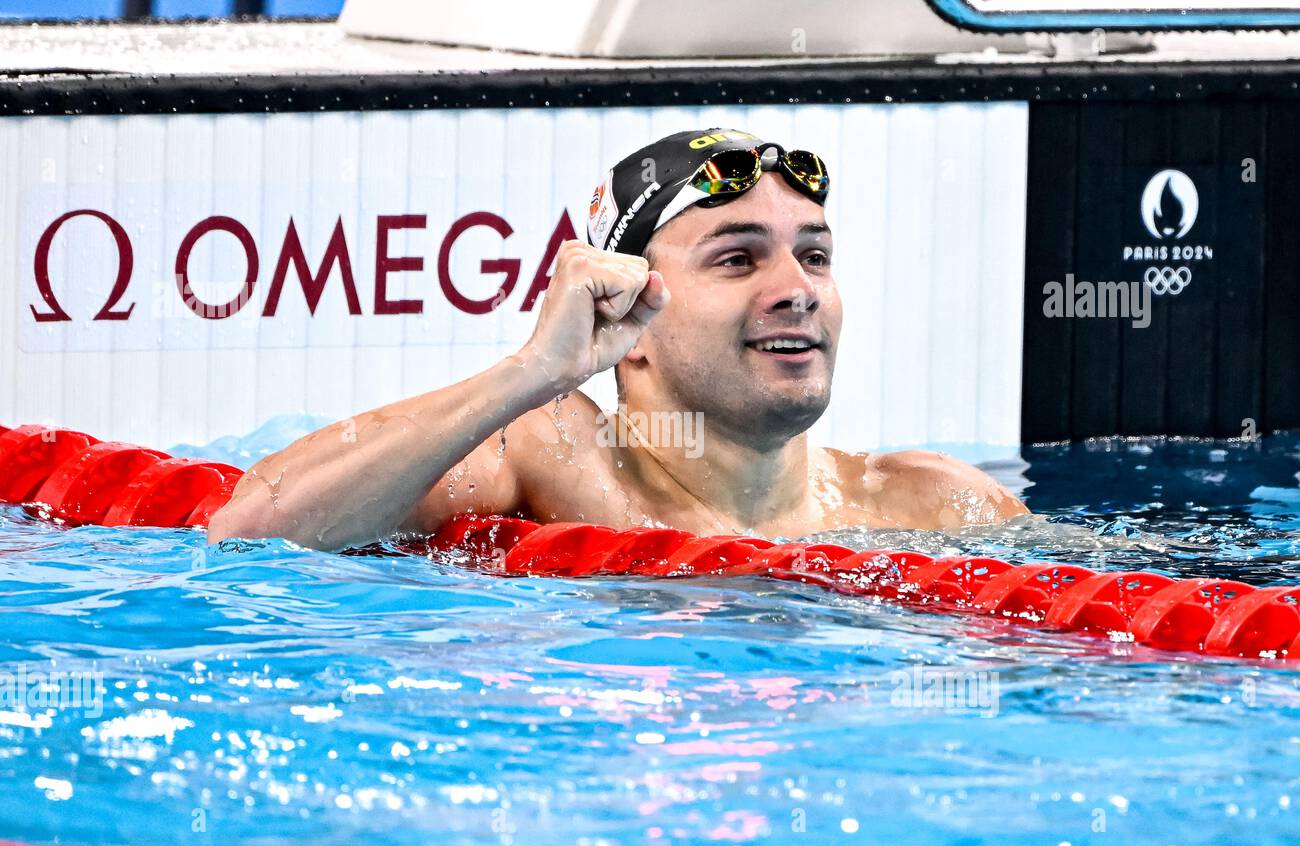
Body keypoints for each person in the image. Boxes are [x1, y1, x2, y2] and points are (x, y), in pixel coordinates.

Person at [209, 127, 1028, 551]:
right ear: (628, 318)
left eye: (814, 255)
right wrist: (533, 371)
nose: (797, 291)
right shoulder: (558, 458)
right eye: (737, 258)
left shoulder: (934, 503)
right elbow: (250, 530)